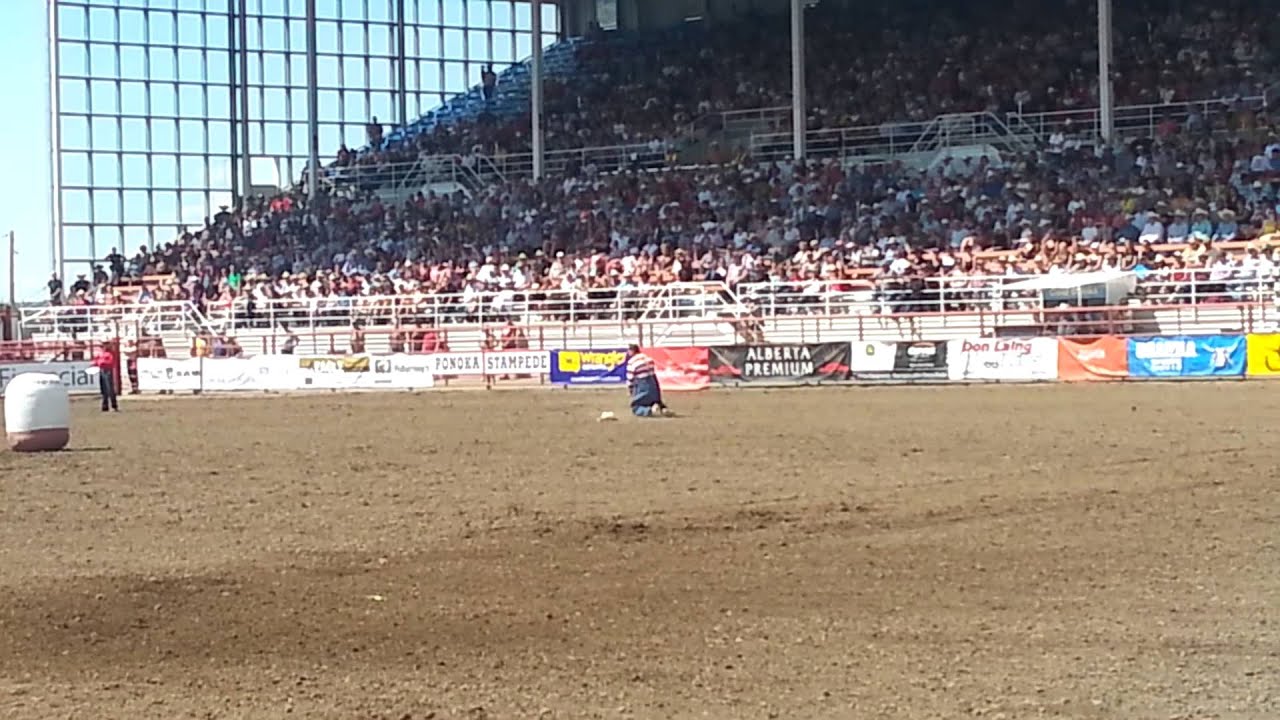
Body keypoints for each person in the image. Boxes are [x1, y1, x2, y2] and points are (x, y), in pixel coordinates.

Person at [626, 344, 672, 417]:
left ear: (632, 351)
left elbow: (630, 378)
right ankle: (662, 408)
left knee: (636, 406)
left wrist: (631, 390)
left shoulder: (632, 362)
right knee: (655, 398)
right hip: (653, 381)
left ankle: (650, 411)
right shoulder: (647, 358)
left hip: (643, 383)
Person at [92, 341, 119, 412]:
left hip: (108, 371)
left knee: (110, 389)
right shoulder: (101, 353)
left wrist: (101, 362)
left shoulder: (111, 353)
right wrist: (96, 363)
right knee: (104, 389)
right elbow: (95, 361)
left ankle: (114, 405)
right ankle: (105, 406)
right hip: (102, 371)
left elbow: (111, 362)